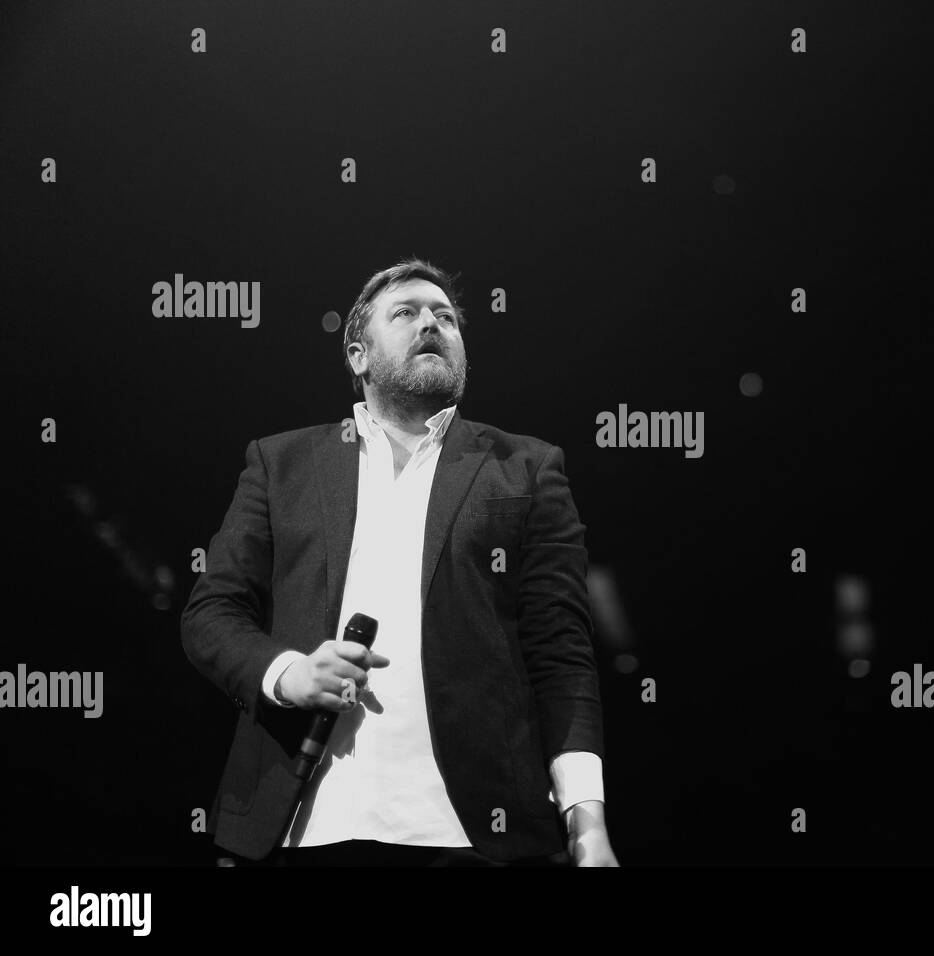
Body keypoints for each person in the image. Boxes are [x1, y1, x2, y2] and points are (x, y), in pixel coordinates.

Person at [181, 258, 618, 866]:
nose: (431, 323)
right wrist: (289, 674)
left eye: (445, 317)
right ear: (358, 356)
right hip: (304, 825)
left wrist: (586, 820)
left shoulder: (526, 467)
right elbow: (211, 613)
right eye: (405, 313)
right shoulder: (282, 464)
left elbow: (561, 654)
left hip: (472, 836)